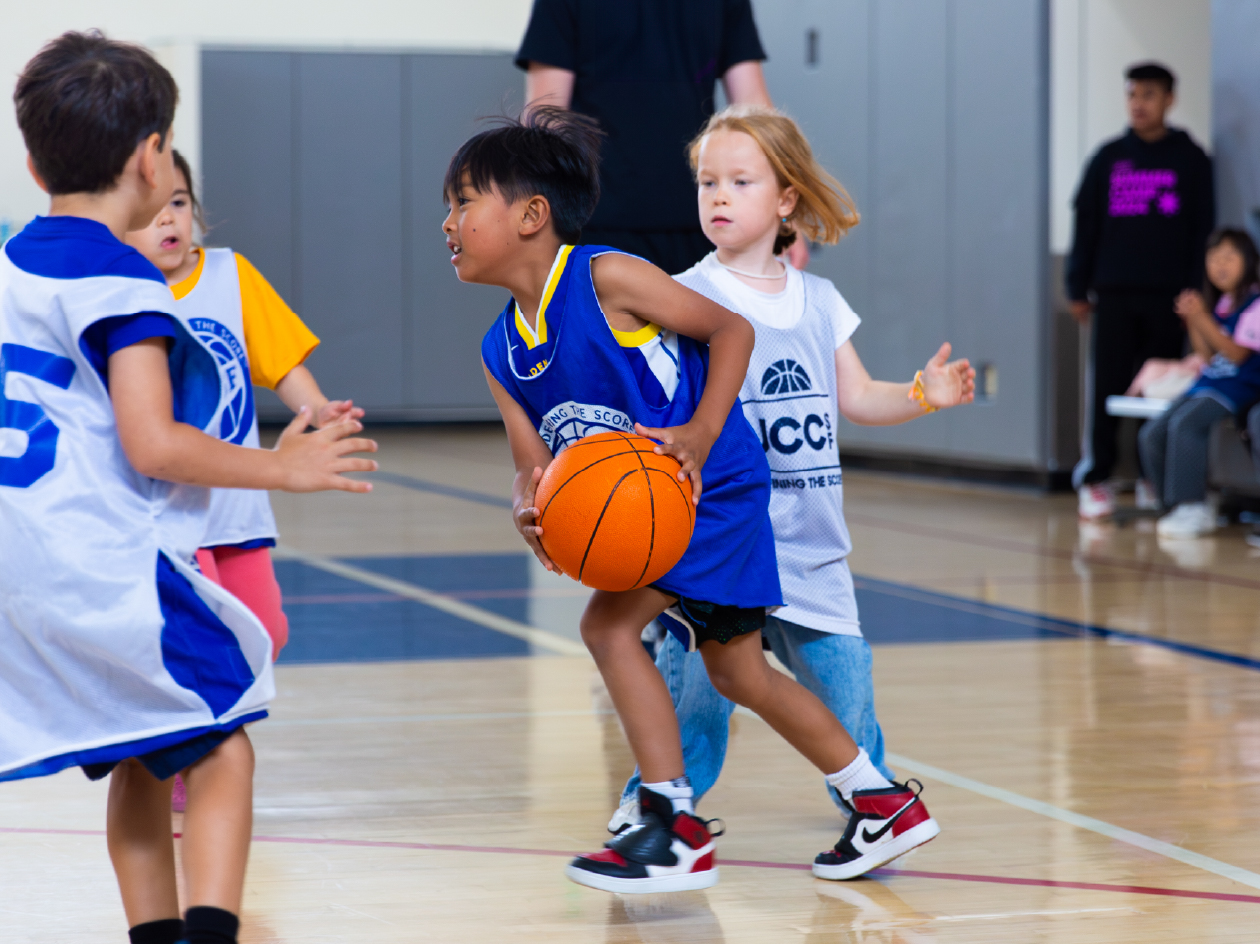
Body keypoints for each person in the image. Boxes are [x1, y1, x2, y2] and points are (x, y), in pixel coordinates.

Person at [445, 106, 940, 893]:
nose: (449, 223)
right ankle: (880, 801)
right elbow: (532, 463)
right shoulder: (499, 349)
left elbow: (732, 332)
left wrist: (703, 433)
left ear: (531, 215)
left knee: (608, 627)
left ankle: (671, 825)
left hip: (711, 487)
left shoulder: (605, 278)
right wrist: (529, 508)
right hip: (669, 500)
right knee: (739, 673)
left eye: (464, 202)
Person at [0, 32, 377, 944]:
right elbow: (155, 443)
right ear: (152, 156)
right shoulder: (125, 280)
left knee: (143, 752)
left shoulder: (9, 265)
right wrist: (284, 467)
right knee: (224, 740)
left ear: (33, 164)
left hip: (26, 573)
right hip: (111, 570)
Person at [612, 105, 974, 830]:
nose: (718, 195)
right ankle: (653, 811)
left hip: (812, 552)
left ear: (785, 199)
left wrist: (920, 394)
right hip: (720, 549)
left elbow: (858, 398)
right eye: (707, 181)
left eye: (740, 181)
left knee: (849, 704)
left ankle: (872, 808)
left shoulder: (821, 301)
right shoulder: (686, 296)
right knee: (696, 709)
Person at [124, 149, 364, 813]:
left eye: (179, 204)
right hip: (169, 512)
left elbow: (282, 363)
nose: (168, 221)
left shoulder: (230, 274)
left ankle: (192, 739)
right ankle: (187, 754)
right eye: (151, 212)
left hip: (238, 504)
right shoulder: (122, 295)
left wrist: (318, 413)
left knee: (266, 632)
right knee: (200, 637)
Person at [516, 0, 795, 275]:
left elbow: (755, 113)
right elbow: (545, 120)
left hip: (702, 219)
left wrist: (783, 218)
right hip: (596, 223)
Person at [1066, 61, 1215, 520]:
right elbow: (1086, 225)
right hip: (1113, 293)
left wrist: (1195, 295)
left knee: (1159, 389)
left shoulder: (1191, 159)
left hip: (1168, 295)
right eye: (1132, 94)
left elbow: (1201, 231)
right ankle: (1097, 478)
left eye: (1148, 94)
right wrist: (1076, 285)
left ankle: (1152, 475)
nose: (1138, 103)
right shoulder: (1108, 158)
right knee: (1108, 387)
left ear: (1169, 99)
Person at [1139, 228, 1260, 538]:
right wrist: (1194, 320)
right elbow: (1207, 356)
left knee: (1186, 424)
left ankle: (1193, 507)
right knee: (1152, 433)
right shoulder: (1222, 304)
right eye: (1214, 258)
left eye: (1229, 257)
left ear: (1249, 261)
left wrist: (1202, 318)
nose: (1220, 265)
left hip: (1238, 387)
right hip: (1208, 383)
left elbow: (1237, 355)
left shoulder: (1255, 303)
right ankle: (1173, 506)